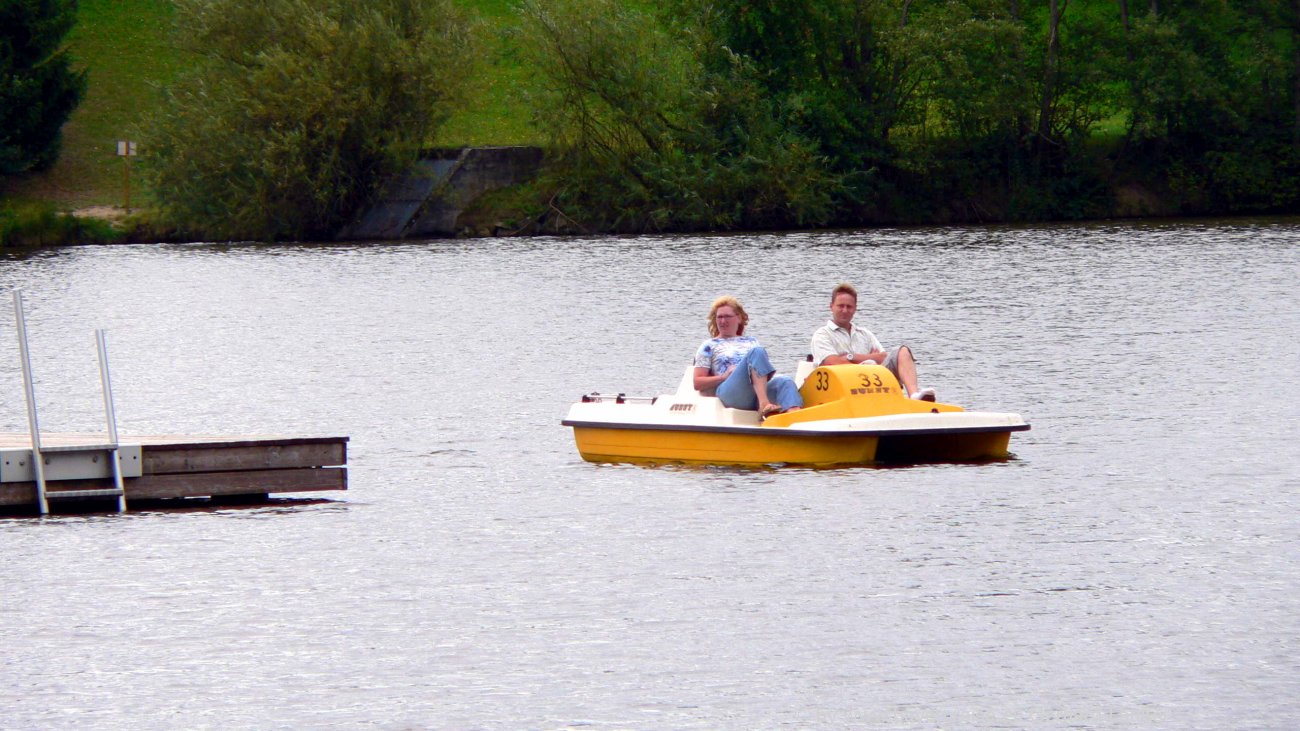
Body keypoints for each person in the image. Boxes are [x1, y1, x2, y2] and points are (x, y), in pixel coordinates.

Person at [810, 283, 936, 401]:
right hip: (841, 387)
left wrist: (851, 357)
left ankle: (914, 395)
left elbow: (883, 357)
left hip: (873, 383)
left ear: (855, 309)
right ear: (831, 306)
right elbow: (833, 363)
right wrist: (868, 360)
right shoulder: (822, 335)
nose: (844, 310)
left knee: (902, 351)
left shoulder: (864, 334)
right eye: (840, 306)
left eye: (849, 307)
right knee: (870, 363)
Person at [693, 296, 803, 417]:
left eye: (727, 316)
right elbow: (697, 382)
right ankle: (764, 405)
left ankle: (794, 419)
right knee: (756, 351)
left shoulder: (751, 341)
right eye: (719, 317)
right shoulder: (708, 346)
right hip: (729, 392)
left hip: (754, 394)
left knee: (785, 381)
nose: (723, 321)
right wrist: (722, 377)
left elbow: (761, 372)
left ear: (739, 318)